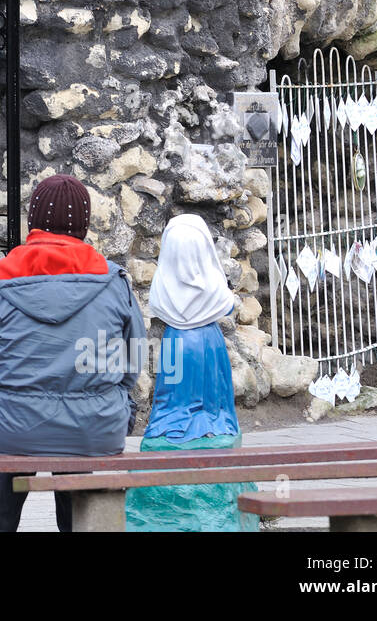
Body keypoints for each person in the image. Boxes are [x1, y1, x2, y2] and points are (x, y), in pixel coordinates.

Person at [0, 174, 145, 531]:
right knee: (77, 469)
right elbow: (133, 364)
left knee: (7, 475)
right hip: (93, 427)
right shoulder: (113, 280)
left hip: (12, 428)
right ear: (84, 224)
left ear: (33, 220)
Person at [124, 214, 259, 531]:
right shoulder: (215, 291)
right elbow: (228, 305)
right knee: (212, 401)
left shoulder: (163, 291)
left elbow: (156, 306)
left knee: (173, 400)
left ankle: (173, 428)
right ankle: (209, 427)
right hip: (208, 344)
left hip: (176, 343)